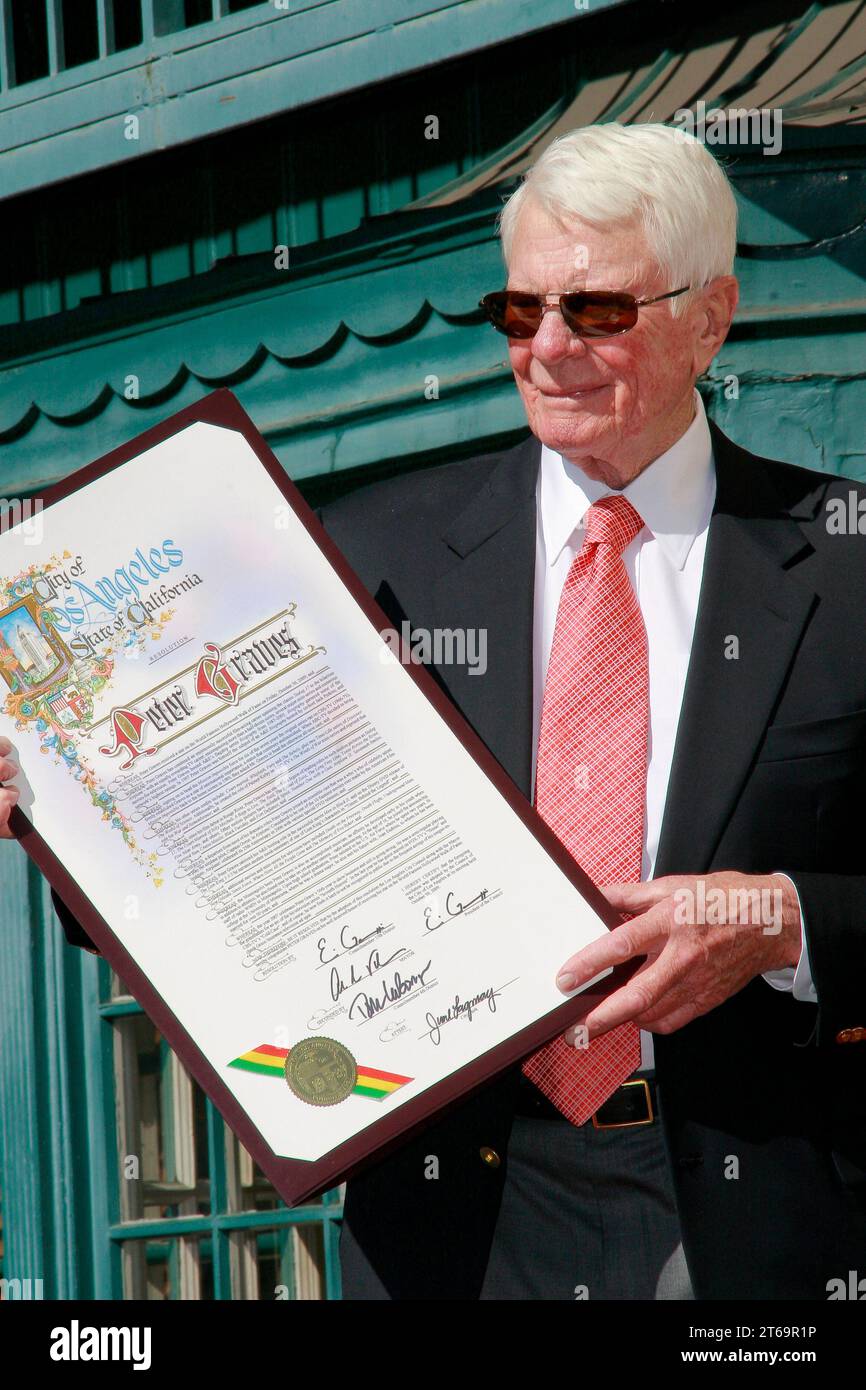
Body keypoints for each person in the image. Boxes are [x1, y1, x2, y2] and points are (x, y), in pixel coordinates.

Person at [10, 122, 866, 1301]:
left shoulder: (842, 563)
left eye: (597, 313)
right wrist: (64, 818)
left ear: (707, 316)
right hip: (448, 1224)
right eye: (520, 315)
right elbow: (225, 870)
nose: (549, 350)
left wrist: (778, 924)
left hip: (755, 1213)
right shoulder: (371, 556)